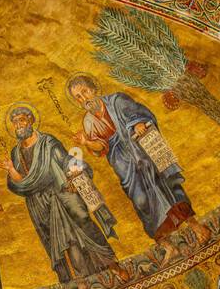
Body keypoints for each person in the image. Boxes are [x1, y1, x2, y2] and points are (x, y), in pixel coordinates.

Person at [69, 73, 211, 252]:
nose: (84, 99)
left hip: (142, 152)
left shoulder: (117, 100)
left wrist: (137, 123)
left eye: (85, 92)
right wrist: (86, 142)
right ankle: (168, 246)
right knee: (141, 201)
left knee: (165, 186)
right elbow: (101, 147)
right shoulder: (88, 122)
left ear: (94, 88)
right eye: (78, 97)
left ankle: (196, 226)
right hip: (123, 164)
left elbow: (139, 114)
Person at [0, 104, 117, 289]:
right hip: (38, 204)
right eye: (15, 122)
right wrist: (11, 170)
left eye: (21, 120)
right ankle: (79, 284)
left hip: (60, 195)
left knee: (82, 226)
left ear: (31, 121)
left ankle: (112, 265)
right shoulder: (15, 153)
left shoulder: (48, 142)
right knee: (61, 244)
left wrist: (76, 171)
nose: (18, 125)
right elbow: (19, 183)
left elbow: (66, 161)